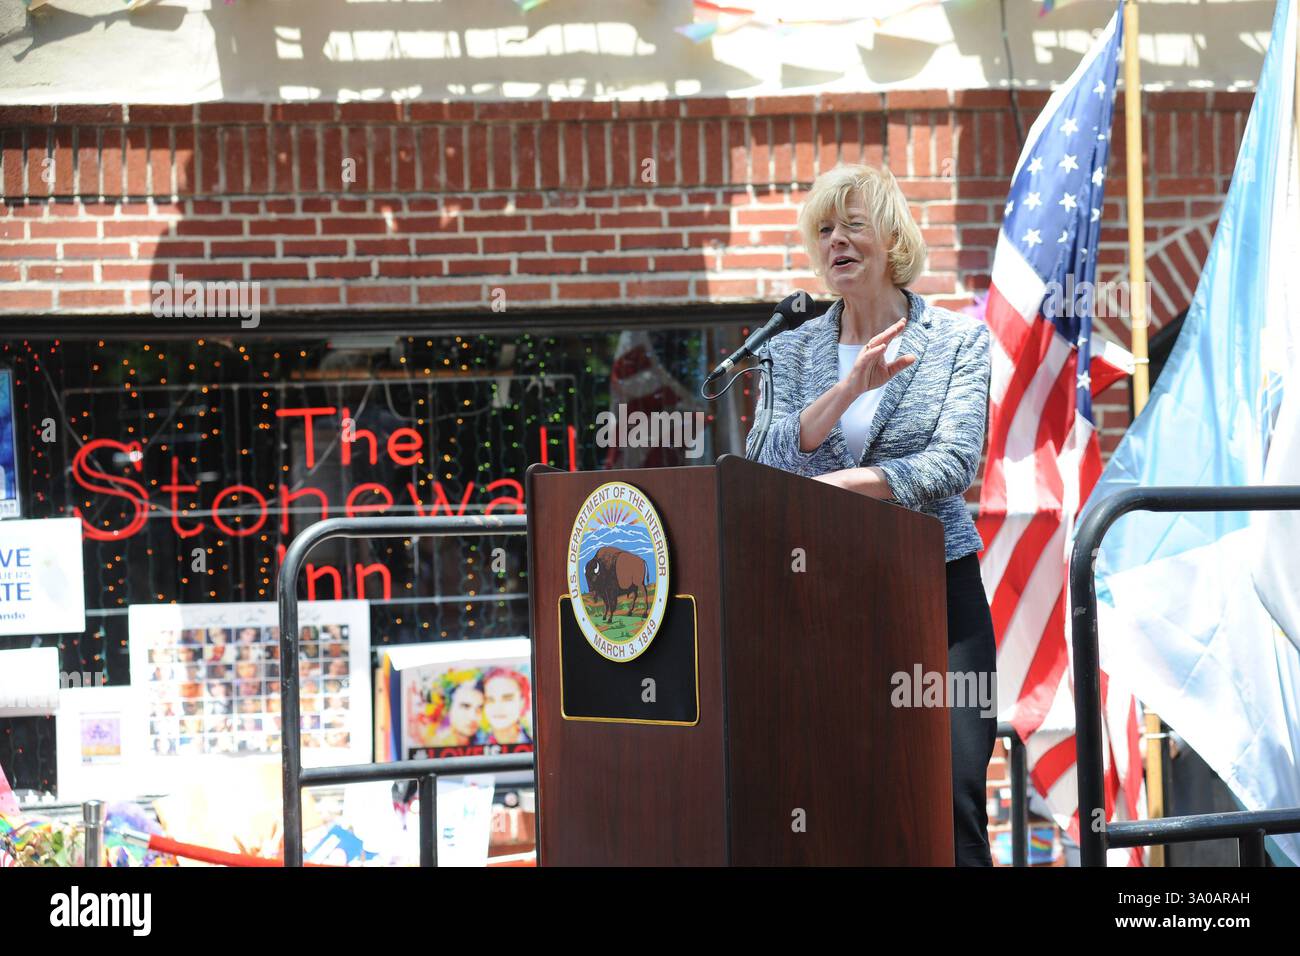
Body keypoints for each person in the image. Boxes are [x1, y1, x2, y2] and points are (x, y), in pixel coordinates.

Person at [746, 163, 996, 867]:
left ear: (890, 236)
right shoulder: (789, 346)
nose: (837, 241)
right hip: (824, 598)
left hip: (935, 590)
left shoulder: (956, 340)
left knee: (951, 795)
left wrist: (847, 484)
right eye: (824, 229)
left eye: (853, 224)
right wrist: (847, 387)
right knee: (841, 796)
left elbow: (953, 463)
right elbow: (765, 457)